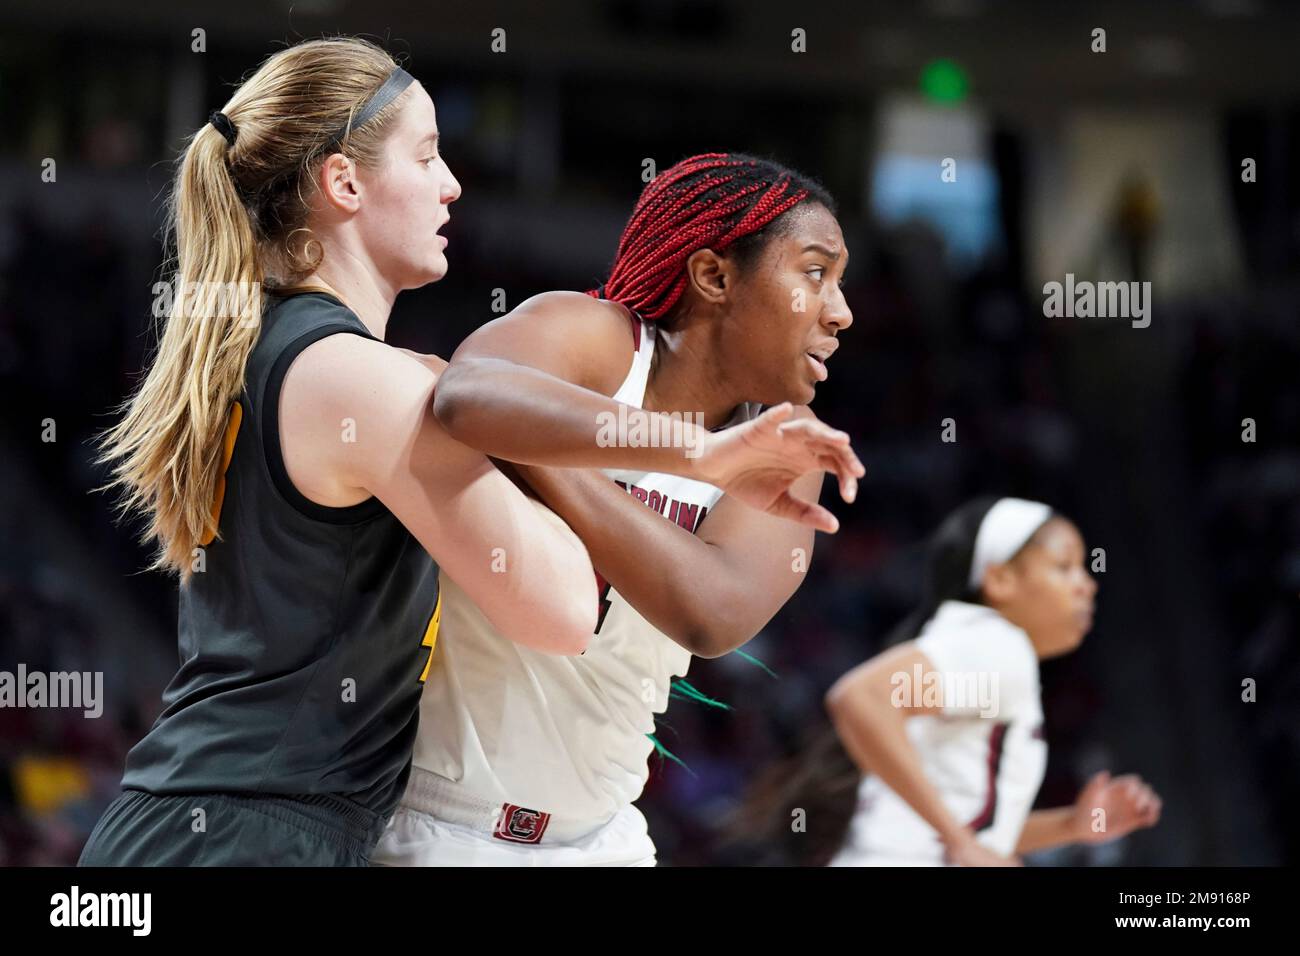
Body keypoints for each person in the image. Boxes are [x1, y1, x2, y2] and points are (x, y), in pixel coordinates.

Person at [373, 152, 864, 866]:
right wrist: (691, 449)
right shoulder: (597, 337)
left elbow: (713, 612)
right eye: (815, 274)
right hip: (438, 822)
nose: (841, 312)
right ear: (715, 276)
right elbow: (468, 396)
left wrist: (533, 457)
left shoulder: (781, 447)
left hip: (605, 836)